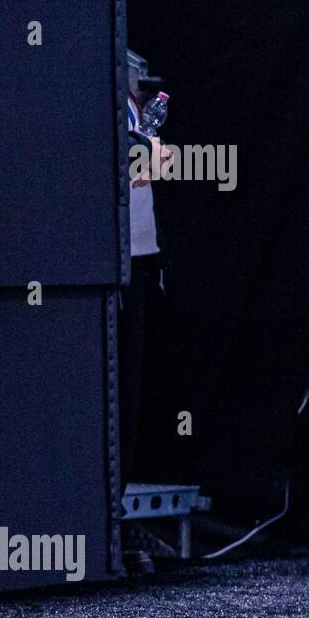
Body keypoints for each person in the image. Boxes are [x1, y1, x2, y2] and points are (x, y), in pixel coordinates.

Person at [119, 51, 172, 503]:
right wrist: (151, 153)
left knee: (132, 391)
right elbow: (144, 165)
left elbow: (155, 165)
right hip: (109, 262)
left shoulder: (138, 108)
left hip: (141, 257)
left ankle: (115, 507)